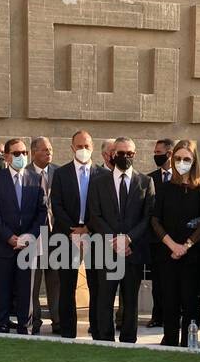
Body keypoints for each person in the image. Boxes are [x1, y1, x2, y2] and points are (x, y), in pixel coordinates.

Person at [87, 137, 154, 343]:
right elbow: (94, 215)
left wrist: (128, 239)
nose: (125, 157)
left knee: (130, 300)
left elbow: (148, 217)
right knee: (104, 299)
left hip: (132, 252)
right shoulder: (98, 182)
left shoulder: (145, 182)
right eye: (121, 153)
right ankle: (104, 340)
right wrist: (114, 240)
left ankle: (128, 341)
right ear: (112, 154)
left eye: (129, 154)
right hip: (106, 250)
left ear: (135, 155)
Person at [150, 139, 200, 347]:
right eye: (177, 158)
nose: (181, 162)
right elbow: (155, 220)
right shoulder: (165, 188)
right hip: (168, 256)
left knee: (192, 305)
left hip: (194, 258)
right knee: (169, 303)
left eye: (186, 158)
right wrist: (172, 246)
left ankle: (189, 345)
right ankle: (169, 343)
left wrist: (186, 245)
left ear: (194, 160)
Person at [0, 138, 46, 334]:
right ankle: (1, 325)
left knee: (26, 291)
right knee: (2, 288)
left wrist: (28, 236)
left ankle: (24, 326)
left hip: (28, 245)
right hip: (3, 244)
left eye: (24, 153)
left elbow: (42, 212)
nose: (21, 157)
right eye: (17, 153)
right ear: (7, 156)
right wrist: (9, 237)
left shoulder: (36, 178)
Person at [50, 130, 103, 340]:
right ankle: (67, 331)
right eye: (79, 146)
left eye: (87, 146)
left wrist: (87, 229)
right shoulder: (61, 174)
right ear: (72, 148)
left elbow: (102, 208)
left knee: (96, 285)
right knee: (67, 285)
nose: (83, 150)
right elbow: (57, 204)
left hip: (94, 235)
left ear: (92, 147)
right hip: (66, 234)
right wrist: (74, 230)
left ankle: (97, 330)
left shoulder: (102, 174)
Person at [26, 136, 60, 335]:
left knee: (56, 282)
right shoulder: (25, 173)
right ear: (33, 152)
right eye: (44, 150)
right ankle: (34, 321)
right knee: (32, 283)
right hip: (34, 237)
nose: (49, 152)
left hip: (57, 237)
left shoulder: (59, 173)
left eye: (50, 149)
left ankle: (58, 321)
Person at [146, 138, 175, 328]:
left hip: (177, 241)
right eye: (155, 152)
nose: (156, 156)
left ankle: (174, 315)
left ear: (169, 153)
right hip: (156, 240)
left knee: (174, 282)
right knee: (157, 282)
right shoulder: (150, 178)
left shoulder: (182, 177)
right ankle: (158, 315)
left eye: (159, 152)